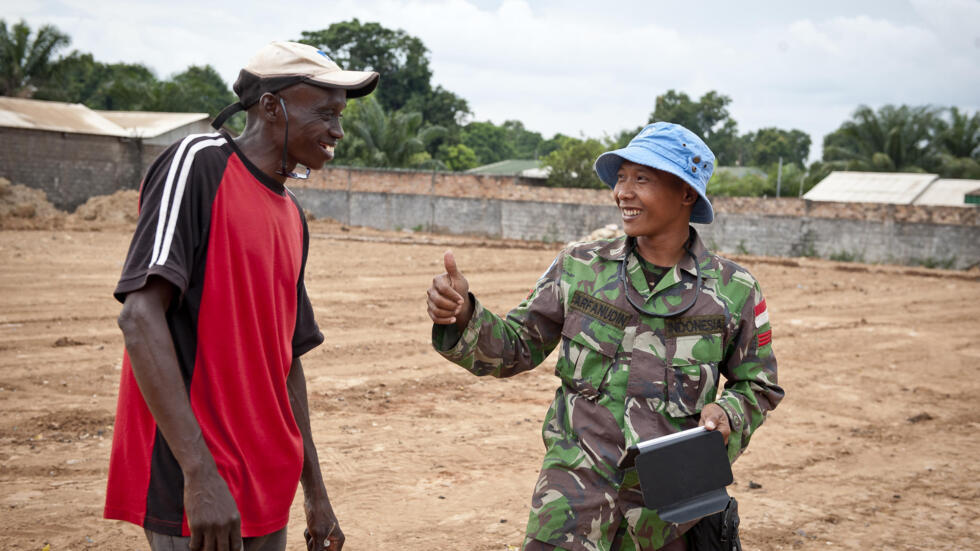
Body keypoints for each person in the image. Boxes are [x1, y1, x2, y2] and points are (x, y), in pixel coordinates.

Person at [426, 122, 784, 551]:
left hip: (668, 519)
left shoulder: (733, 290)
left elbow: (759, 384)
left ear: (687, 193)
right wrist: (464, 315)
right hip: (570, 505)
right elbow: (515, 346)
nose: (622, 193)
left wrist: (729, 414)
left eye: (641, 179)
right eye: (621, 178)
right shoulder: (579, 268)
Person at [104, 41, 378, 551]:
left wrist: (316, 493)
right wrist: (199, 475)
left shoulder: (292, 215)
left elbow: (287, 361)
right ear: (272, 107)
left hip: (267, 487)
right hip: (199, 490)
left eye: (340, 116)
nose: (338, 131)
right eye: (325, 114)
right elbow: (139, 317)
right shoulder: (198, 164)